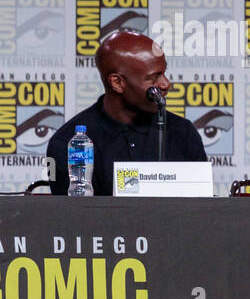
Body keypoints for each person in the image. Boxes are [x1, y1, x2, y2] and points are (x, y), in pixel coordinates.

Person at [46, 30, 207, 196]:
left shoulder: (183, 133)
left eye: (164, 73)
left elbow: (203, 211)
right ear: (117, 83)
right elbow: (73, 217)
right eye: (154, 77)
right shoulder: (69, 143)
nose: (166, 84)